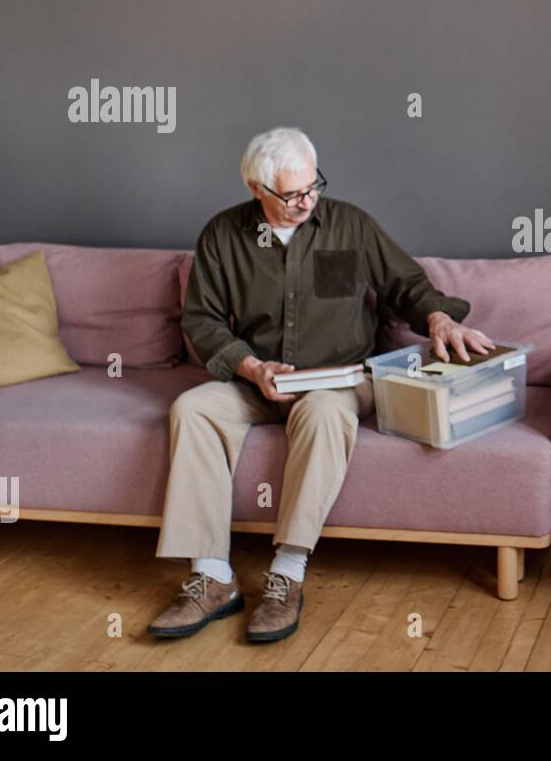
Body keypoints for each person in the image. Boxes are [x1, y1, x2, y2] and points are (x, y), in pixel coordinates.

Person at [149, 127, 493, 642]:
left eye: (314, 187)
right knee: (193, 407)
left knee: (325, 413)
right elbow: (203, 322)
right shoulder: (222, 236)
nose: (306, 201)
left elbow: (407, 284)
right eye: (291, 194)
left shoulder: (351, 225)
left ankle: (286, 575)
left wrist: (439, 319)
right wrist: (252, 369)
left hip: (341, 379)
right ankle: (212, 577)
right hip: (258, 380)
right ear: (255, 188)